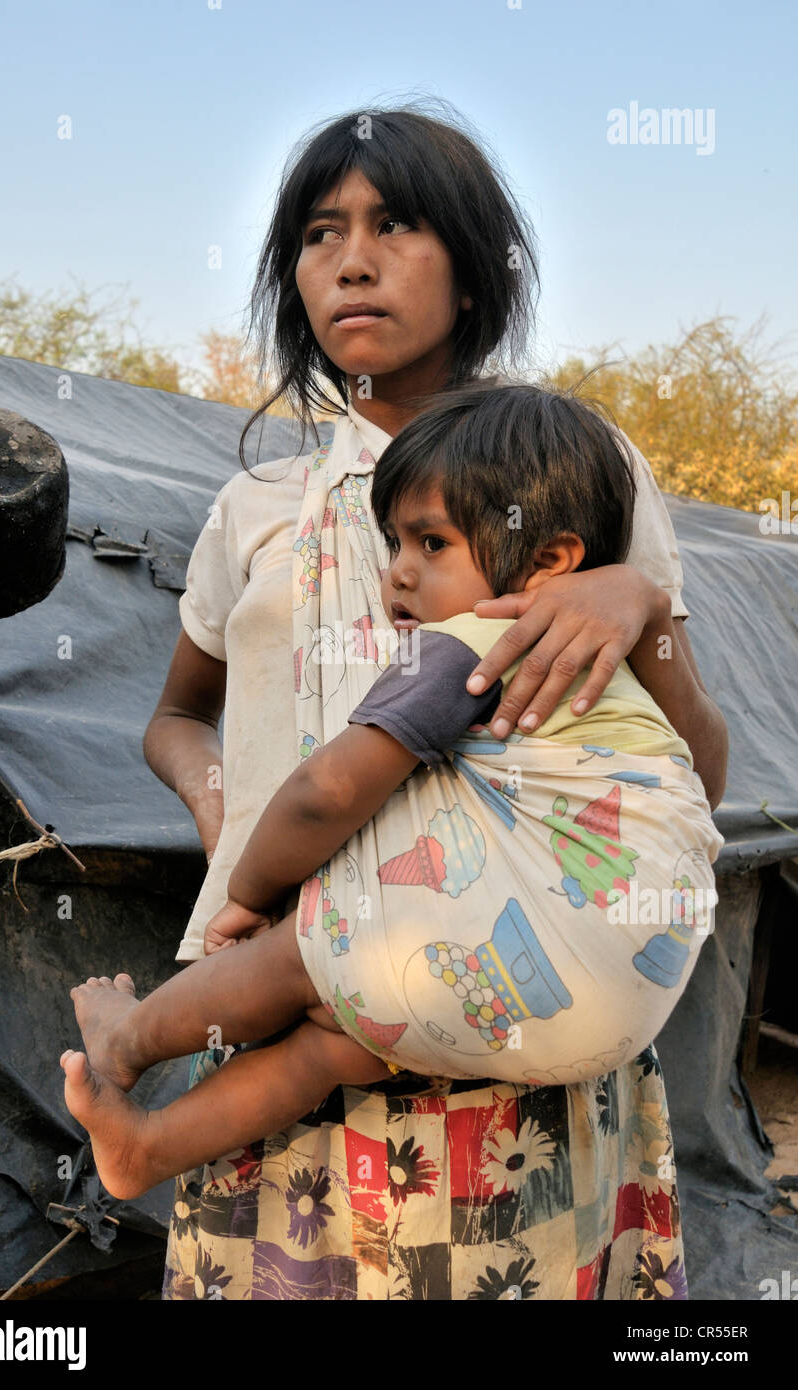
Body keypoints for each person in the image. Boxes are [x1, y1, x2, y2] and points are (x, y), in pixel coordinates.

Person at [138, 104, 728, 1300]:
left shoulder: (585, 472)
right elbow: (175, 716)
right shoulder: (257, 510)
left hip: (525, 1014)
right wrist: (227, 815)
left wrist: (635, 606)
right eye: (318, 232)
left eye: (395, 223)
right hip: (289, 993)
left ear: (472, 270)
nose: (349, 258)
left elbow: (692, 776)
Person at [61, 382, 724, 1204]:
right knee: (333, 1043)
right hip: (622, 1004)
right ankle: (148, 1147)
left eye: (429, 544)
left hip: (507, 958)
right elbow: (696, 784)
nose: (397, 574)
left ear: (550, 560)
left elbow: (325, 791)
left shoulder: (468, 642)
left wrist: (250, 892)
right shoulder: (605, 659)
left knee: (302, 955)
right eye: (390, 543)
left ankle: (126, 1046)